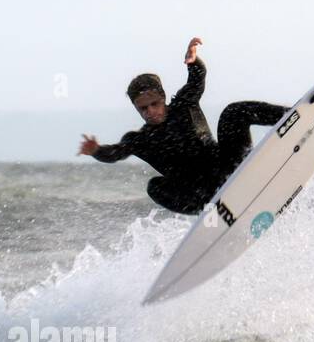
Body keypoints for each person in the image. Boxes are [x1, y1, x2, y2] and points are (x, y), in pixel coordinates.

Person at [77, 37, 289, 214]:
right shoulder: (140, 139)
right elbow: (115, 153)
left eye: (154, 104)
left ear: (163, 97)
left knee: (233, 112)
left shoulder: (184, 105)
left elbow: (197, 80)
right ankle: (213, 212)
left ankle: (294, 115)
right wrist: (96, 150)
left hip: (228, 168)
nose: (150, 111)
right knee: (154, 187)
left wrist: (193, 61)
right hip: (201, 193)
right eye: (143, 109)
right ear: (136, 108)